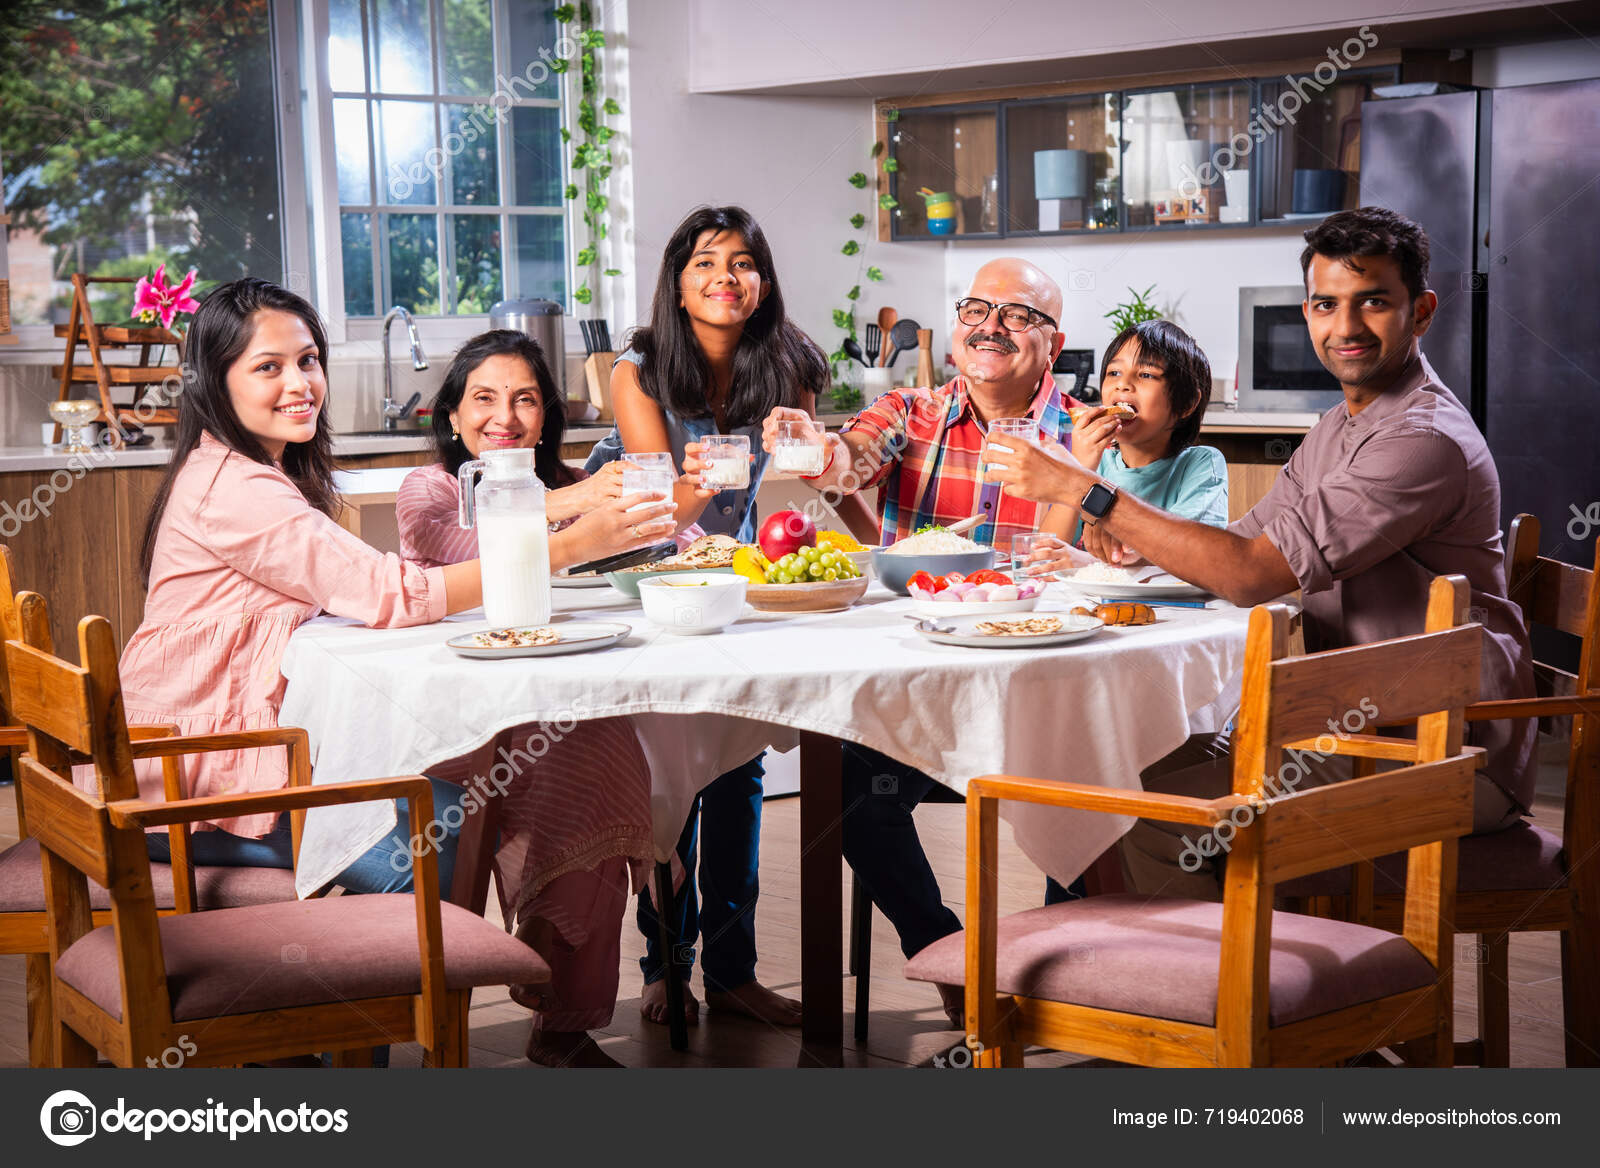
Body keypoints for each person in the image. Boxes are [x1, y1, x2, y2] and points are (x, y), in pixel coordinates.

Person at [985, 206, 1537, 897]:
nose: (1345, 328)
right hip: (1350, 727)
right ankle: (1161, 984)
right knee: (1119, 768)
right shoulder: (1340, 424)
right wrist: (1113, 554)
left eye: (1374, 302)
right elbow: (1241, 542)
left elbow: (1249, 577)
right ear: (1307, 312)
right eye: (1326, 304)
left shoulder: (1420, 442)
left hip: (1443, 753)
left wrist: (1091, 493)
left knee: (1161, 818)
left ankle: (1223, 997)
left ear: (1420, 312)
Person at [761, 258, 1074, 1026]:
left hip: (1046, 692)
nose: (989, 326)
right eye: (976, 308)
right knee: (847, 788)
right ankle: (951, 957)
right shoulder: (913, 411)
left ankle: (1066, 974)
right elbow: (844, 464)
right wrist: (809, 442)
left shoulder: (1086, 429)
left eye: (1017, 314)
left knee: (1112, 780)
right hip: (925, 698)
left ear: (1053, 343)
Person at [395, 329, 676, 1066]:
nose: (505, 417)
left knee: (606, 750)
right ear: (452, 417)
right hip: (457, 718)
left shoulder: (580, 483)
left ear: (546, 416)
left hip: (561, 700)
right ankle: (538, 1004)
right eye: (483, 399)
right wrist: (577, 502)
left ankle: (565, 1019)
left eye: (524, 399)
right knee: (586, 751)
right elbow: (468, 553)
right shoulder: (430, 490)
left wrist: (681, 499)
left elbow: (660, 546)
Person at [586, 205, 827, 1027]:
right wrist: (713, 477)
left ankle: (732, 971)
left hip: (722, 581)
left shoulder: (784, 360)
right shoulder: (640, 369)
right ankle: (664, 969)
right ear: (678, 285)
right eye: (706, 264)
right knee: (667, 780)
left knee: (736, 767)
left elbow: (808, 472)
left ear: (762, 282)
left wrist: (807, 439)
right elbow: (654, 513)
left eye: (743, 263)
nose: (726, 278)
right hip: (634, 571)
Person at [1026, 318, 1228, 904]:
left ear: (1186, 400)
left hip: (1166, 651)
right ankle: (1082, 911)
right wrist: (1078, 471)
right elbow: (1046, 553)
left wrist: (1108, 544)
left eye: (1144, 376)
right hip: (1091, 644)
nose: (1121, 389)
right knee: (1067, 761)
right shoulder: (1092, 462)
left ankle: (1148, 913)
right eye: (1113, 374)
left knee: (1132, 775)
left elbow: (1186, 553)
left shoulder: (1200, 465)